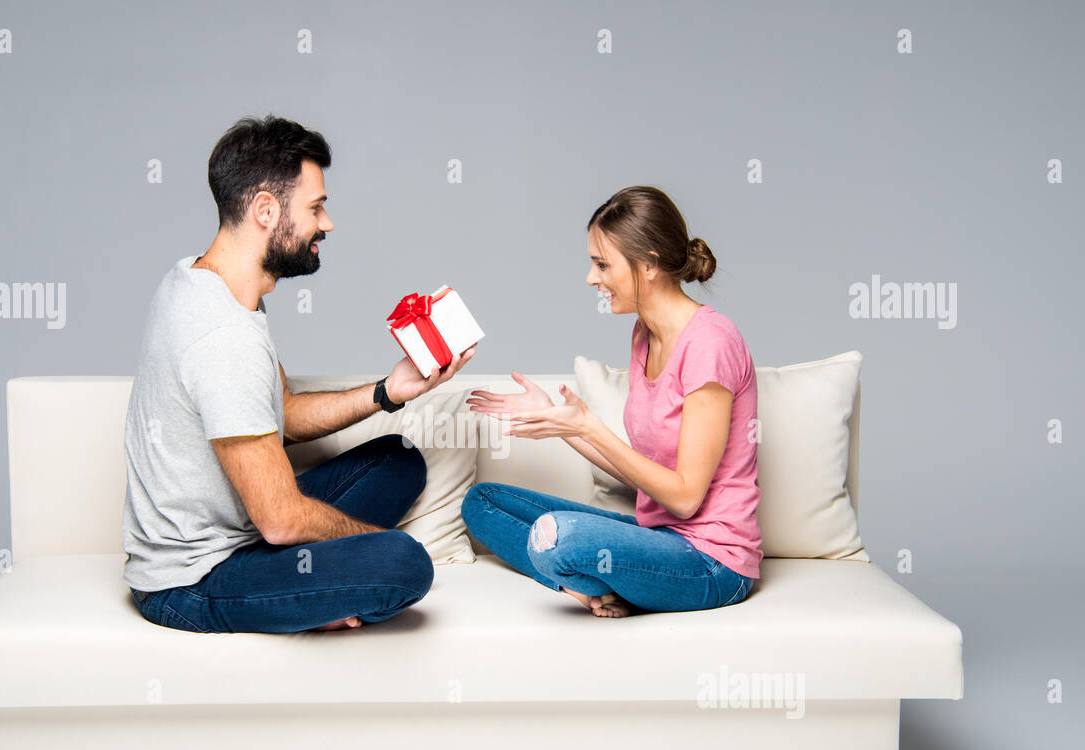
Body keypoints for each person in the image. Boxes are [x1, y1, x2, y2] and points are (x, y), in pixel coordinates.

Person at [122, 114, 475, 634]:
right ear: (266, 209)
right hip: (192, 581)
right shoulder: (224, 338)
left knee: (398, 460)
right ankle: (309, 593)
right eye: (316, 207)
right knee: (404, 564)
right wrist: (362, 549)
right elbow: (282, 520)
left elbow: (280, 411)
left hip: (241, 529)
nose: (327, 223)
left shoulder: (204, 281)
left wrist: (388, 391)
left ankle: (308, 587)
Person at [461, 186, 761, 618]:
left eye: (602, 264)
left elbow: (685, 498)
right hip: (657, 536)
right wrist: (564, 423)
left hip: (711, 562)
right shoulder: (646, 334)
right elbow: (643, 474)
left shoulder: (710, 343)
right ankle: (590, 583)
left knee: (556, 536)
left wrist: (590, 426)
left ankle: (583, 577)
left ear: (649, 264)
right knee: (482, 503)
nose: (591, 278)